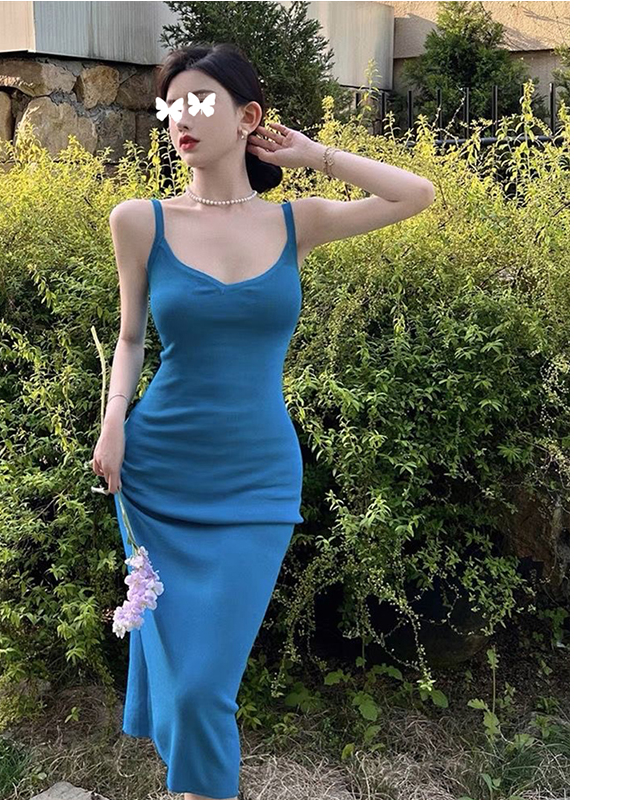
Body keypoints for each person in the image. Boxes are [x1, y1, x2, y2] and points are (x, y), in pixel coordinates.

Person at [91, 42, 435, 800]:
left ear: (249, 117)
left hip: (256, 484)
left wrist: (317, 155)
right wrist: (113, 421)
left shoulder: (294, 223)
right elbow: (130, 337)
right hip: (158, 472)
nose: (180, 116)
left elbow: (416, 193)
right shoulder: (140, 221)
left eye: (200, 100)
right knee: (183, 676)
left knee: (205, 684)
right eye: (171, 103)